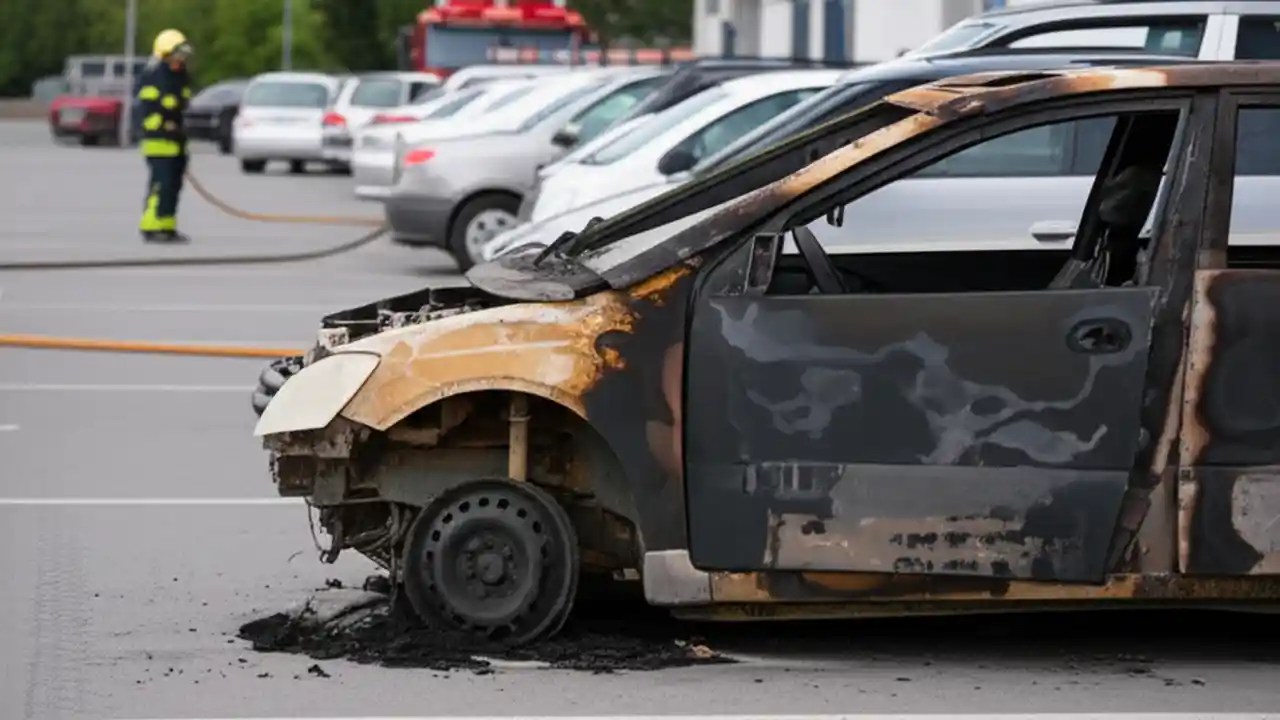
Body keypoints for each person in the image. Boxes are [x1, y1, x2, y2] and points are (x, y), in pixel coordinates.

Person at [137, 29, 194, 243]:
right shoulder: (154, 77)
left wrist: (180, 131)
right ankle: (151, 226)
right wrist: (163, 126)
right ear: (166, 54)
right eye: (178, 54)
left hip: (176, 143)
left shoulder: (179, 77)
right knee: (161, 185)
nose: (182, 59)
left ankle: (167, 226)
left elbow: (182, 108)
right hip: (158, 142)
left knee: (173, 186)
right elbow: (147, 111)